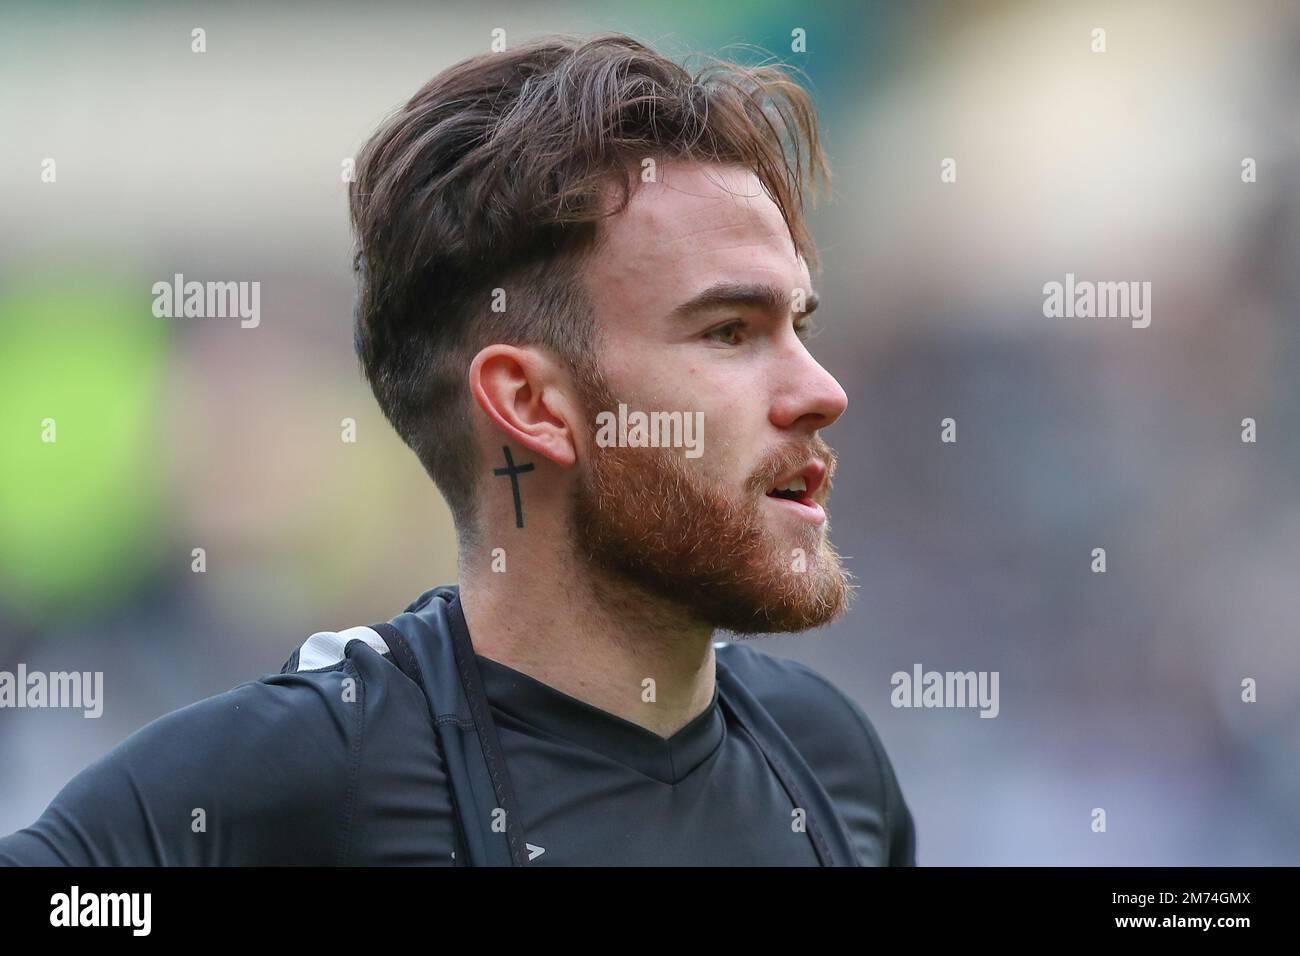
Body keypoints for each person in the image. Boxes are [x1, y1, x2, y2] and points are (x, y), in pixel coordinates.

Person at [0, 32, 916, 866]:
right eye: (729, 332)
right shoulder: (305, 774)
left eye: (797, 325)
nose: (822, 391)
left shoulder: (827, 761)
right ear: (529, 404)